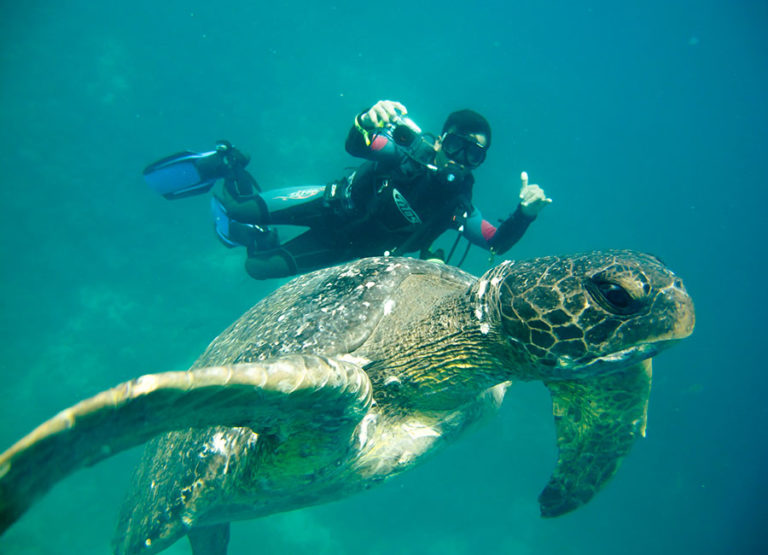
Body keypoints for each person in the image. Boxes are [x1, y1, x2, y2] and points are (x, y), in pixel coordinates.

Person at [144, 100, 551, 279]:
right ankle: (228, 162)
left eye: (475, 155)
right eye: (459, 145)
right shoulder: (407, 153)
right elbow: (359, 145)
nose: (462, 159)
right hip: (326, 205)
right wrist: (366, 120)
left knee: (258, 268)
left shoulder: (457, 205)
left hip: (347, 252)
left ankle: (259, 239)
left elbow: (495, 242)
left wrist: (525, 215)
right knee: (235, 206)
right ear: (443, 139)